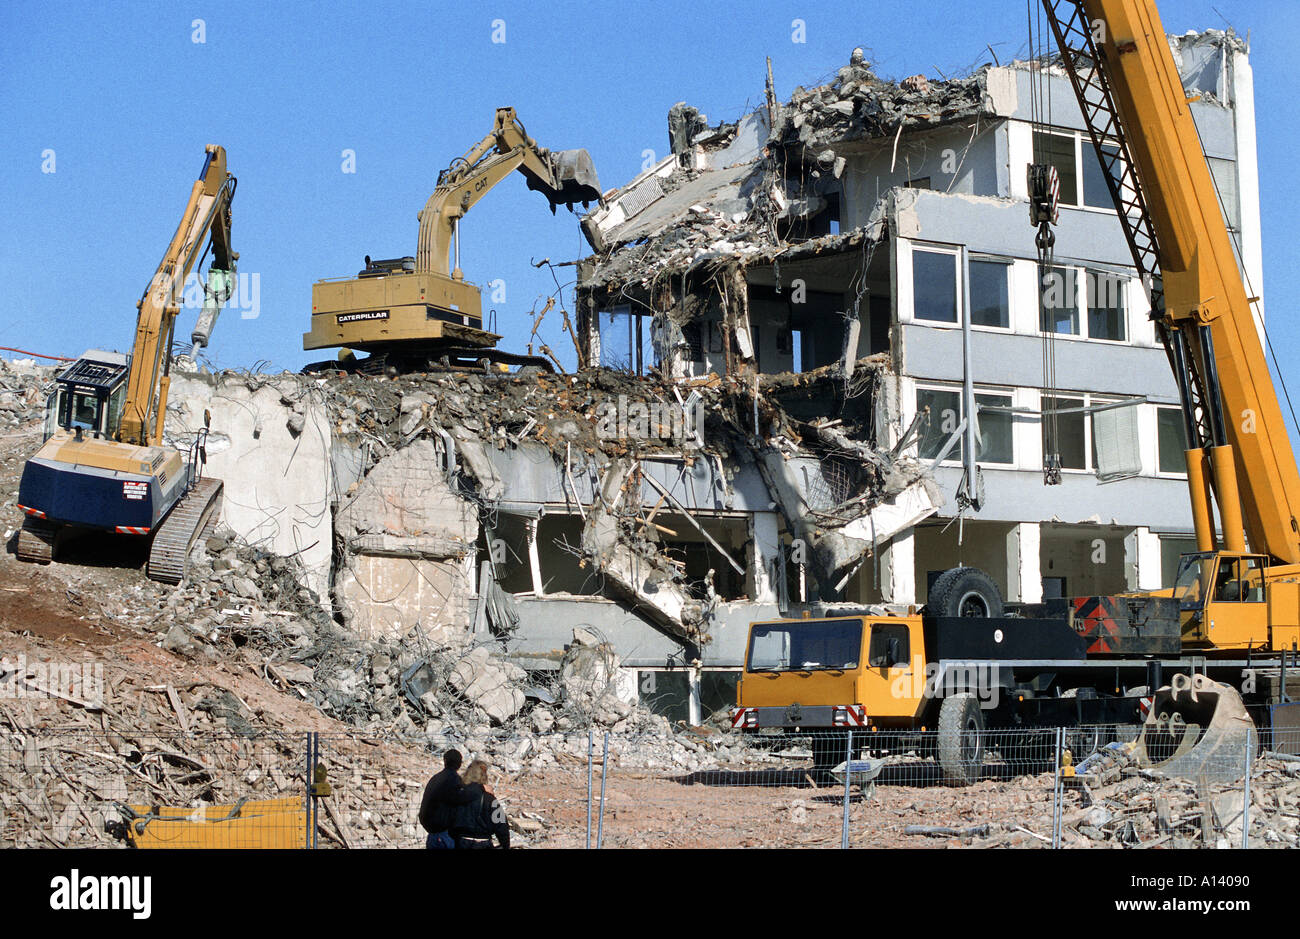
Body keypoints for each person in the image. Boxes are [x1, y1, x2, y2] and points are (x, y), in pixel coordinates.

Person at [418, 749, 473, 849]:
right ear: (459, 764)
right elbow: (461, 805)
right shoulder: (455, 781)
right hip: (445, 835)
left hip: (432, 833)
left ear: (445, 761)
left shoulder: (435, 778)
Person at [450, 760, 510, 849]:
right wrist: (505, 844)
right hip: (483, 842)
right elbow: (501, 825)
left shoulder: (458, 795)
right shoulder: (490, 799)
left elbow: (450, 819)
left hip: (462, 841)